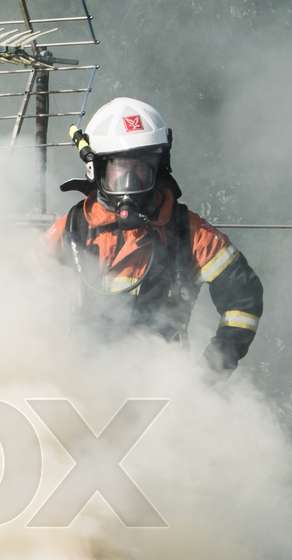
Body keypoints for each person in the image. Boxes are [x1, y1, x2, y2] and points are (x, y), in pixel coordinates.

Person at [45, 97, 265, 375]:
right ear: (97, 170)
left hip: (159, 386)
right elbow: (21, 288)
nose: (130, 183)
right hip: (83, 385)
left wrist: (209, 373)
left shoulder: (190, 234)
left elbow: (243, 298)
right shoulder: (73, 228)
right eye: (120, 170)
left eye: (141, 169)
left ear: (159, 167)